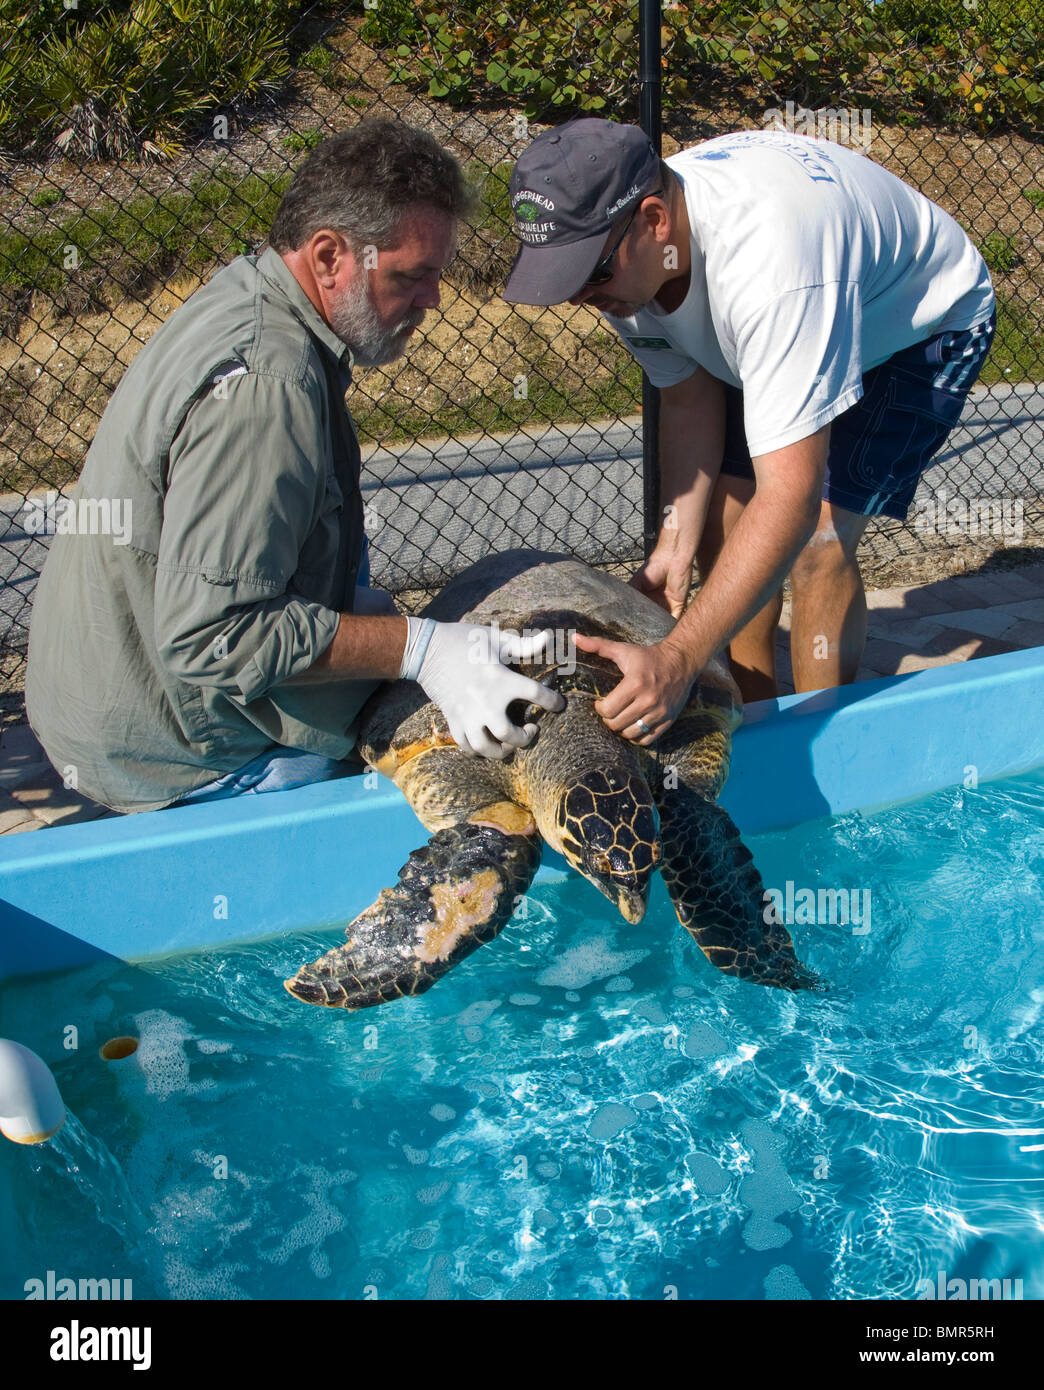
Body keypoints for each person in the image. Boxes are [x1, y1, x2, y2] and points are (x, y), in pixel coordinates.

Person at [26, 119, 563, 813]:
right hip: (177, 757)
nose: (433, 300)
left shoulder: (247, 296)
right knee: (438, 809)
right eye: (411, 276)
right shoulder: (266, 386)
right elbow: (214, 635)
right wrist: (422, 649)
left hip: (115, 702)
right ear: (331, 255)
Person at [503, 118, 995, 742]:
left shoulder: (769, 266)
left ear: (656, 221)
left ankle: (819, 739)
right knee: (721, 524)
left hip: (917, 325)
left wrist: (678, 660)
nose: (583, 297)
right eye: (567, 280)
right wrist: (672, 550)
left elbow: (789, 499)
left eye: (591, 276)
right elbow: (686, 402)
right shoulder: (632, 263)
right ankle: (759, 725)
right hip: (805, 308)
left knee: (818, 537)